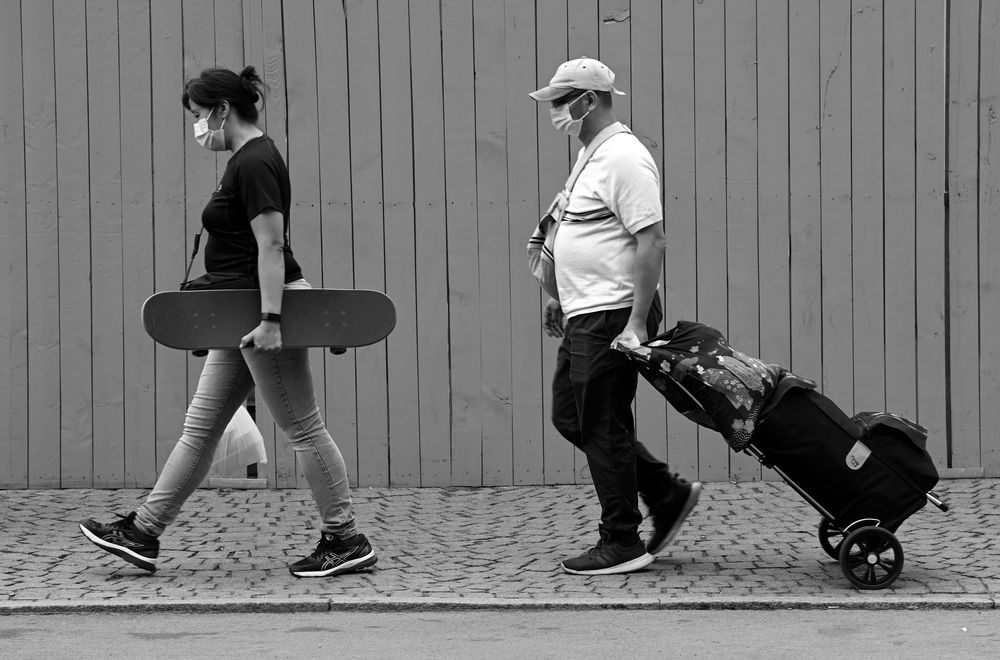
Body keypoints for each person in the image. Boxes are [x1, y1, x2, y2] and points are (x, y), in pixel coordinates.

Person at [78, 66, 376, 579]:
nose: (197, 128)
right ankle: (144, 532)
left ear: (221, 110)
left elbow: (271, 245)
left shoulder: (256, 161)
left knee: (303, 428)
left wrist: (271, 319)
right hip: (240, 314)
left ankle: (346, 539)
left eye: (198, 117)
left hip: (261, 315)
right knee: (202, 427)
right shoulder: (244, 159)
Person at [529, 57, 701, 575]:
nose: (557, 110)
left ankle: (621, 538)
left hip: (612, 313)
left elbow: (652, 240)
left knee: (601, 424)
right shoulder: (592, 155)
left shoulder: (625, 156)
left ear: (591, 99)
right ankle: (665, 494)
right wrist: (559, 292)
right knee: (573, 416)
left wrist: (635, 321)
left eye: (564, 99)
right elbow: (579, 233)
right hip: (588, 310)